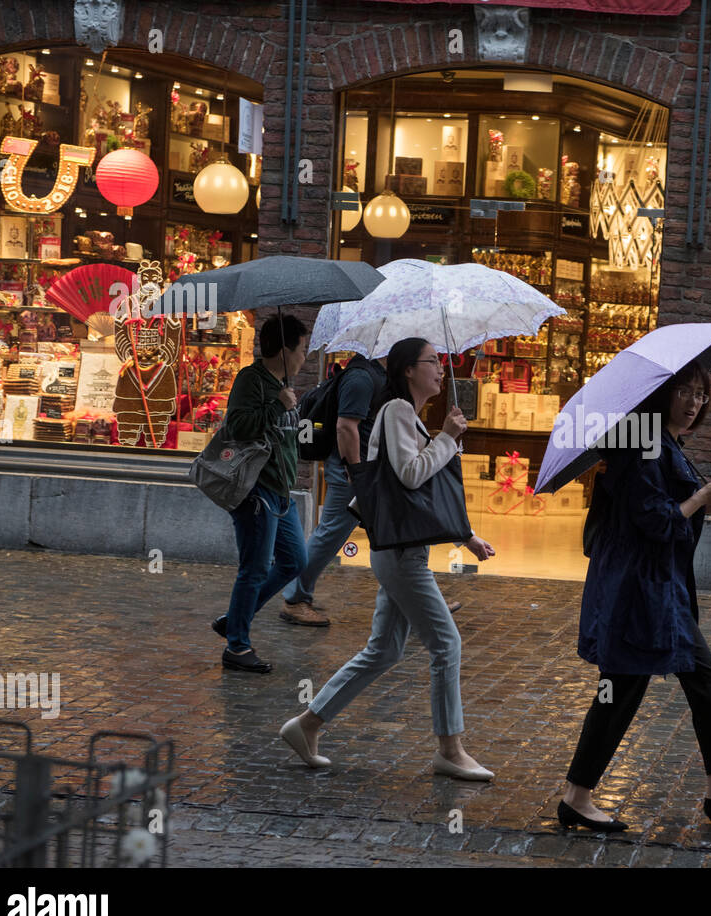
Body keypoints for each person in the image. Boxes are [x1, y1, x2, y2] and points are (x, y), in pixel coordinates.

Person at [558, 360, 711, 831]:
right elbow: (656, 520)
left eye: (701, 395)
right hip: (635, 593)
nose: (694, 402)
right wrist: (701, 499)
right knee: (618, 690)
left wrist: (707, 493)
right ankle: (576, 796)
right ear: (662, 394)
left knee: (704, 679)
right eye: (684, 391)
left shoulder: (661, 443)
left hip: (660, 592)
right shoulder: (640, 442)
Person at [280, 337, 497, 779]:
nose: (441, 368)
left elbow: (426, 491)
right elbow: (412, 474)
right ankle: (450, 750)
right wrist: (447, 439)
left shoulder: (411, 417)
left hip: (401, 550)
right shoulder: (397, 411)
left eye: (440, 361)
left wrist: (467, 535)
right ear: (407, 371)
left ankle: (307, 724)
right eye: (432, 361)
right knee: (446, 643)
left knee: (383, 651)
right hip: (400, 556)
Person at [277, 352, 461, 625]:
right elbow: (345, 427)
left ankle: (421, 596)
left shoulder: (378, 376)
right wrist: (356, 471)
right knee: (332, 533)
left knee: (401, 532)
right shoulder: (361, 377)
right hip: (353, 472)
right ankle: (295, 597)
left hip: (370, 470)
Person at [212, 313, 309, 674]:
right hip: (256, 491)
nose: (305, 356)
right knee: (254, 568)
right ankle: (237, 647)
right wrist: (277, 406)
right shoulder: (252, 381)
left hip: (282, 491)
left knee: (295, 561)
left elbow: (288, 438)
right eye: (301, 349)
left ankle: (236, 618)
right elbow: (237, 427)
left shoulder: (284, 385)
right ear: (284, 350)